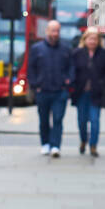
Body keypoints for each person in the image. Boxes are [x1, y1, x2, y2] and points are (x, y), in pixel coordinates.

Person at [28, 19, 72, 157]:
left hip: (60, 92)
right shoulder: (37, 49)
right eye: (53, 30)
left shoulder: (66, 49)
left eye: (58, 30)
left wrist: (68, 81)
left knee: (58, 119)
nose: (55, 33)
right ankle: (45, 144)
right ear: (47, 31)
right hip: (43, 91)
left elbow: (72, 67)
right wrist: (36, 85)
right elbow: (31, 69)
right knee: (44, 120)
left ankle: (55, 146)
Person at [69, 27, 105, 157]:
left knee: (95, 120)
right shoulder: (77, 53)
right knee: (82, 121)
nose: (92, 41)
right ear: (85, 39)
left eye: (95, 39)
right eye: (90, 38)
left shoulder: (104, 54)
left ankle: (93, 145)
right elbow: (72, 71)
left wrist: (101, 84)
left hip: (96, 93)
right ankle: (83, 140)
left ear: (98, 40)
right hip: (81, 93)